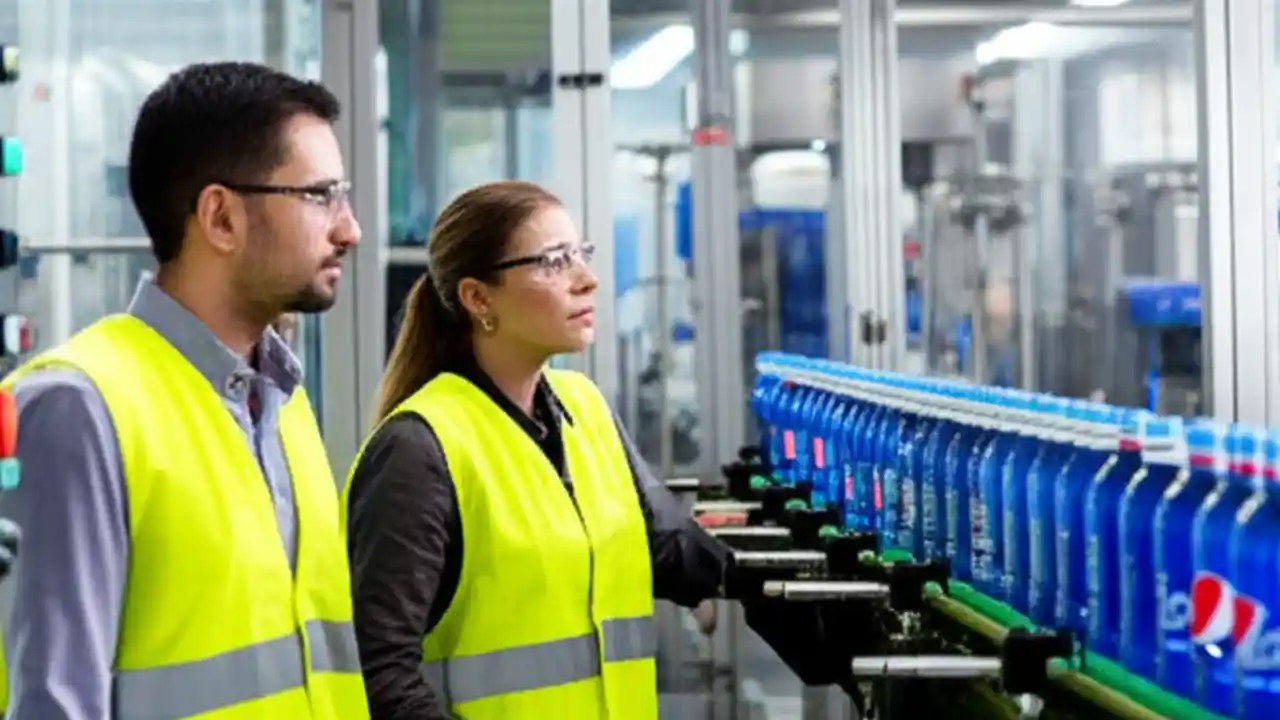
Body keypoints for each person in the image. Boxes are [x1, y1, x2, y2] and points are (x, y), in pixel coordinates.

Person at [343, 180, 860, 719]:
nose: (586, 280)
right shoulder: (419, 450)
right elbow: (379, 674)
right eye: (552, 262)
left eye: (580, 255)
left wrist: (809, 578)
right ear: (478, 297)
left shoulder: (581, 406)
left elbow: (668, 549)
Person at [0, 62, 368, 719]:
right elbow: (51, 703)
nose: (349, 229)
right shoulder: (77, 408)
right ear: (220, 217)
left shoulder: (283, 401)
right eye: (319, 196)